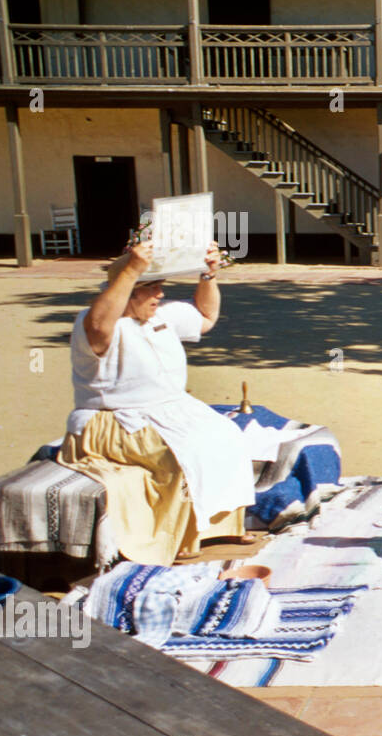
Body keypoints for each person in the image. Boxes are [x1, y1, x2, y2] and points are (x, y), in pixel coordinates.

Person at [57, 239, 255, 567]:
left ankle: (217, 528)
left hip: (170, 409)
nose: (160, 295)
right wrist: (131, 268)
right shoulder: (95, 324)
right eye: (151, 289)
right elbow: (97, 327)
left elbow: (206, 316)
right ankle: (178, 540)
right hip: (113, 423)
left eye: (161, 287)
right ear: (127, 289)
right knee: (178, 456)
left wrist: (208, 275)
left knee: (227, 435)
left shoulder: (160, 316)